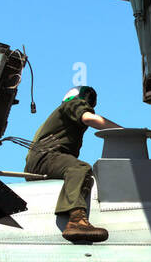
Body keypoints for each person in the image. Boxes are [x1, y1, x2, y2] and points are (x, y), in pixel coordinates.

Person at [24, 86, 122, 242]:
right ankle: (76, 220)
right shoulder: (72, 105)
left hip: (40, 160)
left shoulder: (61, 115)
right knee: (79, 168)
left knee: (79, 172)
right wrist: (123, 131)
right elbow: (89, 118)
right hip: (46, 157)